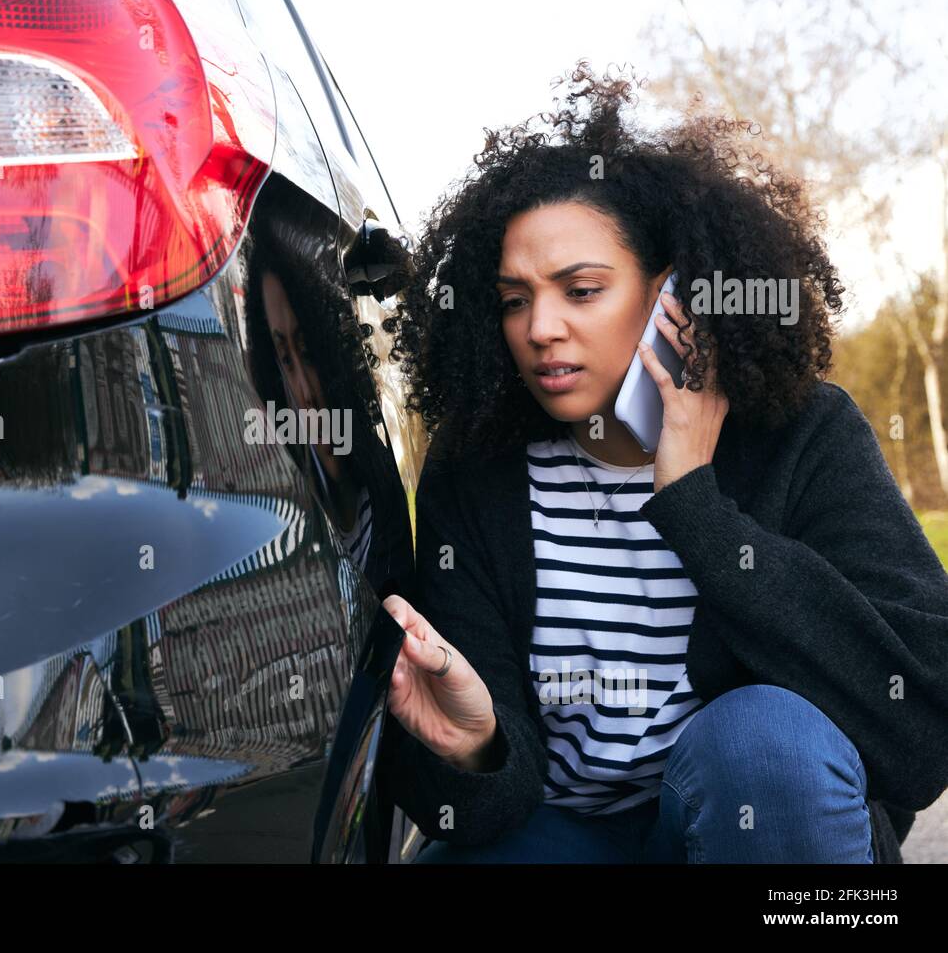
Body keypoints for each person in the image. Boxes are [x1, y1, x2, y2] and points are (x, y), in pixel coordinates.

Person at [379, 64, 948, 863]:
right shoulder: (475, 471)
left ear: (672, 295)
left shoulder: (801, 433)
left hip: (734, 827)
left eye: (580, 290)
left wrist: (696, 505)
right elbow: (476, 811)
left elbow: (921, 724)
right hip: (557, 831)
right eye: (514, 299)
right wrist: (476, 748)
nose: (540, 327)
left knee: (762, 743)